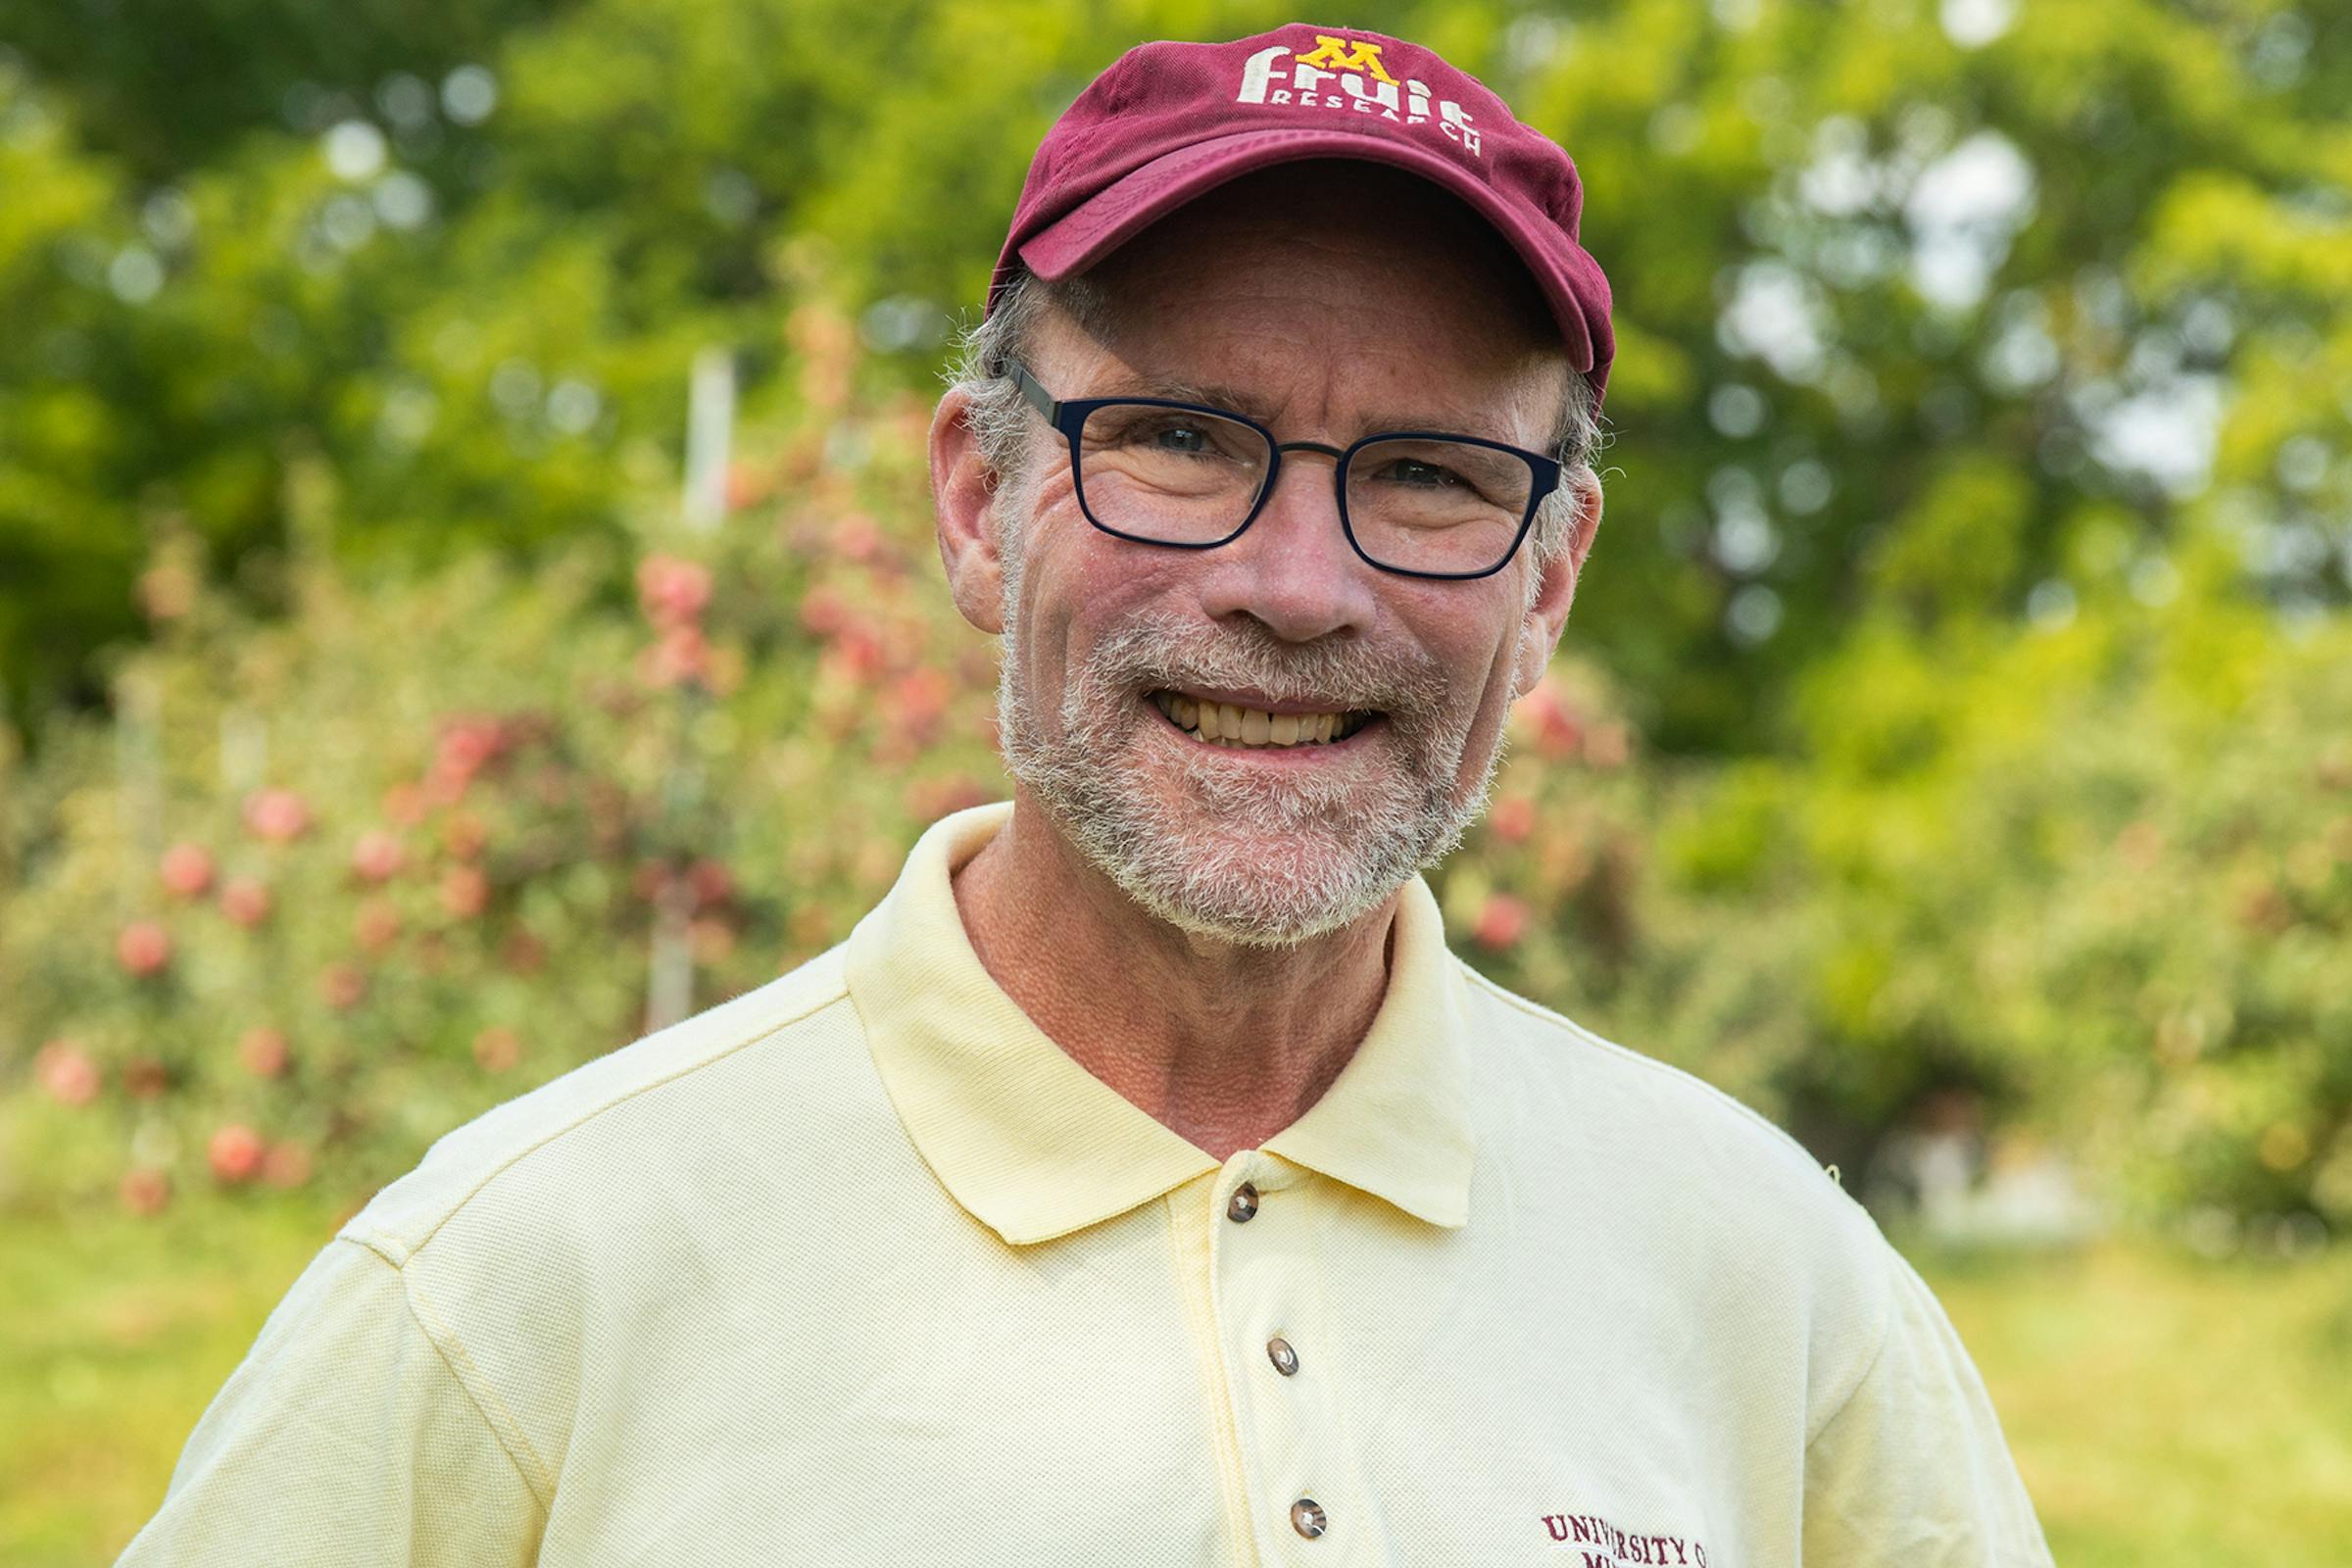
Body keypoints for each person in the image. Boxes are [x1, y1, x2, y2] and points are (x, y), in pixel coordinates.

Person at [119, 24, 2053, 1567]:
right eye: (1180, 441)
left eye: (1436, 477)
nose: (1299, 588)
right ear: (980, 497)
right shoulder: (517, 1283)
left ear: (1549, 579)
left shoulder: (1772, 1280)